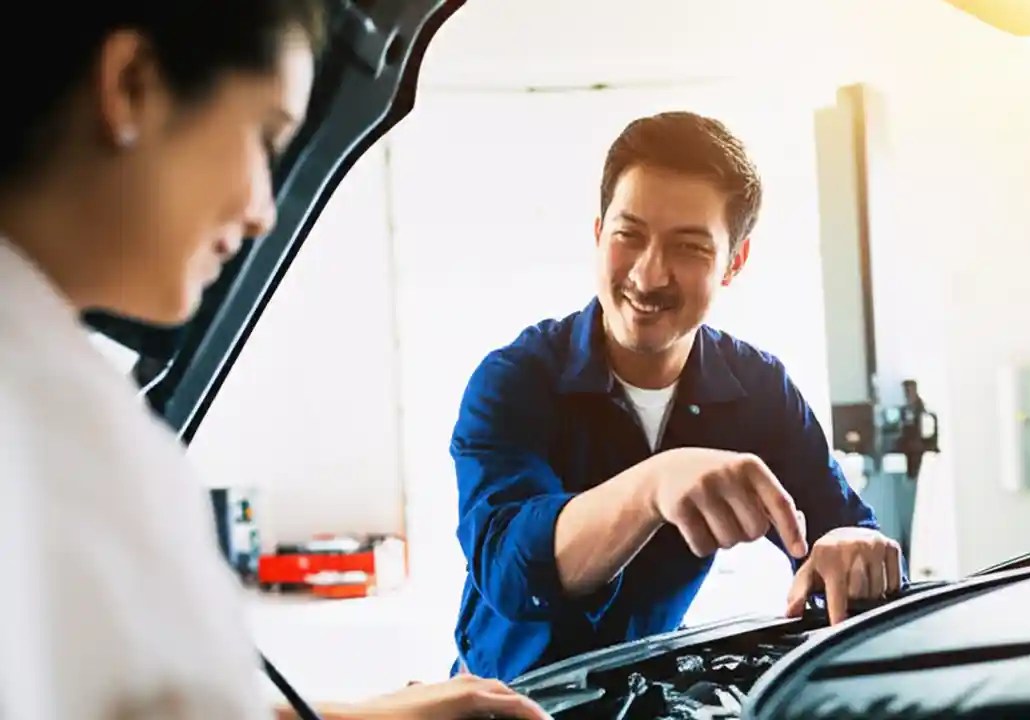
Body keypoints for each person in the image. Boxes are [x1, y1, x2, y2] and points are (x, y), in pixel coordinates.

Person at [0, 3, 548, 719]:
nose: (263, 211)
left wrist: (371, 717)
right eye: (265, 138)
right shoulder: (62, 428)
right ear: (132, 86)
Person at [450, 111, 904, 682]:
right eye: (629, 236)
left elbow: (841, 528)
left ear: (733, 263)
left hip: (651, 693)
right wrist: (652, 486)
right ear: (598, 235)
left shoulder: (759, 390)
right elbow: (512, 575)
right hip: (503, 700)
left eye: (688, 248)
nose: (649, 273)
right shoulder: (513, 380)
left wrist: (850, 547)